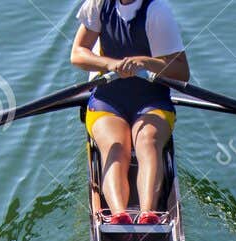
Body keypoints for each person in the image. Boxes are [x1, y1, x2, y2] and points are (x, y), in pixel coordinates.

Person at [70, 1, 190, 226]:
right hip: (107, 99)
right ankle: (119, 217)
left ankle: (148, 215)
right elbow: (77, 55)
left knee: (147, 141)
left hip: (152, 100)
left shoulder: (157, 11)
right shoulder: (98, 5)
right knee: (116, 146)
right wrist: (111, 65)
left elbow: (182, 71)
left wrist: (146, 62)